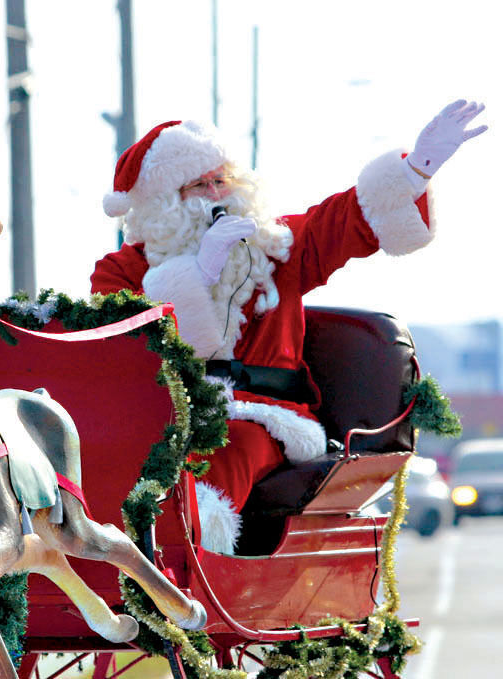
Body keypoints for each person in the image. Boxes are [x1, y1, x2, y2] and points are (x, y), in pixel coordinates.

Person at [91, 101, 487, 554]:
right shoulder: (121, 271)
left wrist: (415, 170)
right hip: (163, 416)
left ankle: (183, 562)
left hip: (264, 416)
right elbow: (125, 345)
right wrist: (195, 276)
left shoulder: (274, 248)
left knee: (229, 447)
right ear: (161, 202)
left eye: (222, 179)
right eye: (199, 185)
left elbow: (344, 220)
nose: (216, 194)